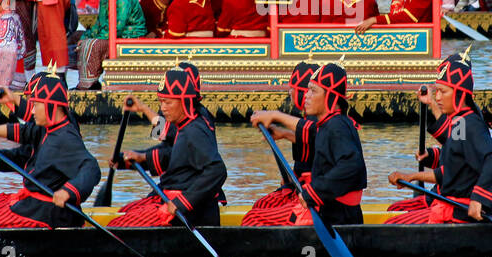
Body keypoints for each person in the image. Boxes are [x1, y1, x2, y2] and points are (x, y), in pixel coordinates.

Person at [0, 70, 101, 229]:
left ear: (50, 106)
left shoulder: (66, 137)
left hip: (50, 212)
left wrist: (69, 192)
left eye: (35, 104)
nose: (31, 109)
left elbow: (92, 168)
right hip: (34, 205)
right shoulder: (46, 129)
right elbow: (21, 136)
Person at [385, 53, 492, 225]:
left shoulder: (469, 123)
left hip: (459, 212)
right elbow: (455, 157)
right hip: (448, 205)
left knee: (393, 225)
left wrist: (479, 199)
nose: (438, 97)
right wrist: (421, 166)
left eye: (443, 91)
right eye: (436, 91)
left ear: (460, 94)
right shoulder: (460, 121)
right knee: (394, 214)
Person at [109, 66, 228, 228]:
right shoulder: (183, 123)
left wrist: (184, 201)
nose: (163, 108)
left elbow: (217, 170)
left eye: (168, 102)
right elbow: (170, 150)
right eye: (161, 102)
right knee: (125, 212)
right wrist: (132, 160)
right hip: (172, 188)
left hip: (189, 201)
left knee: (119, 225)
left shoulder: (195, 125)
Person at [249, 63, 367, 226]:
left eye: (313, 91)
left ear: (329, 96)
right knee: (258, 209)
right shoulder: (330, 124)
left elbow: (352, 166)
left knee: (253, 219)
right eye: (307, 89)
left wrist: (314, 192)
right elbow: (315, 135)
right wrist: (283, 133)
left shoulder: (336, 126)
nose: (307, 95)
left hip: (331, 212)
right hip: (329, 207)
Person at [241, 62, 320, 226]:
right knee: (261, 205)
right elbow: (310, 138)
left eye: (293, 88)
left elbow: (315, 134)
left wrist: (276, 115)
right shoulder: (314, 122)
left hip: (316, 199)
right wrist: (284, 133)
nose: (289, 92)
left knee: (252, 219)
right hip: (303, 189)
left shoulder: (331, 123)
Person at [78, 0, 147, 87]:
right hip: (113, 34)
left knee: (91, 45)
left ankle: (88, 85)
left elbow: (116, 27)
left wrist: (94, 38)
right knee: (77, 38)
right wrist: (87, 35)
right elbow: (100, 22)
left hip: (129, 37)